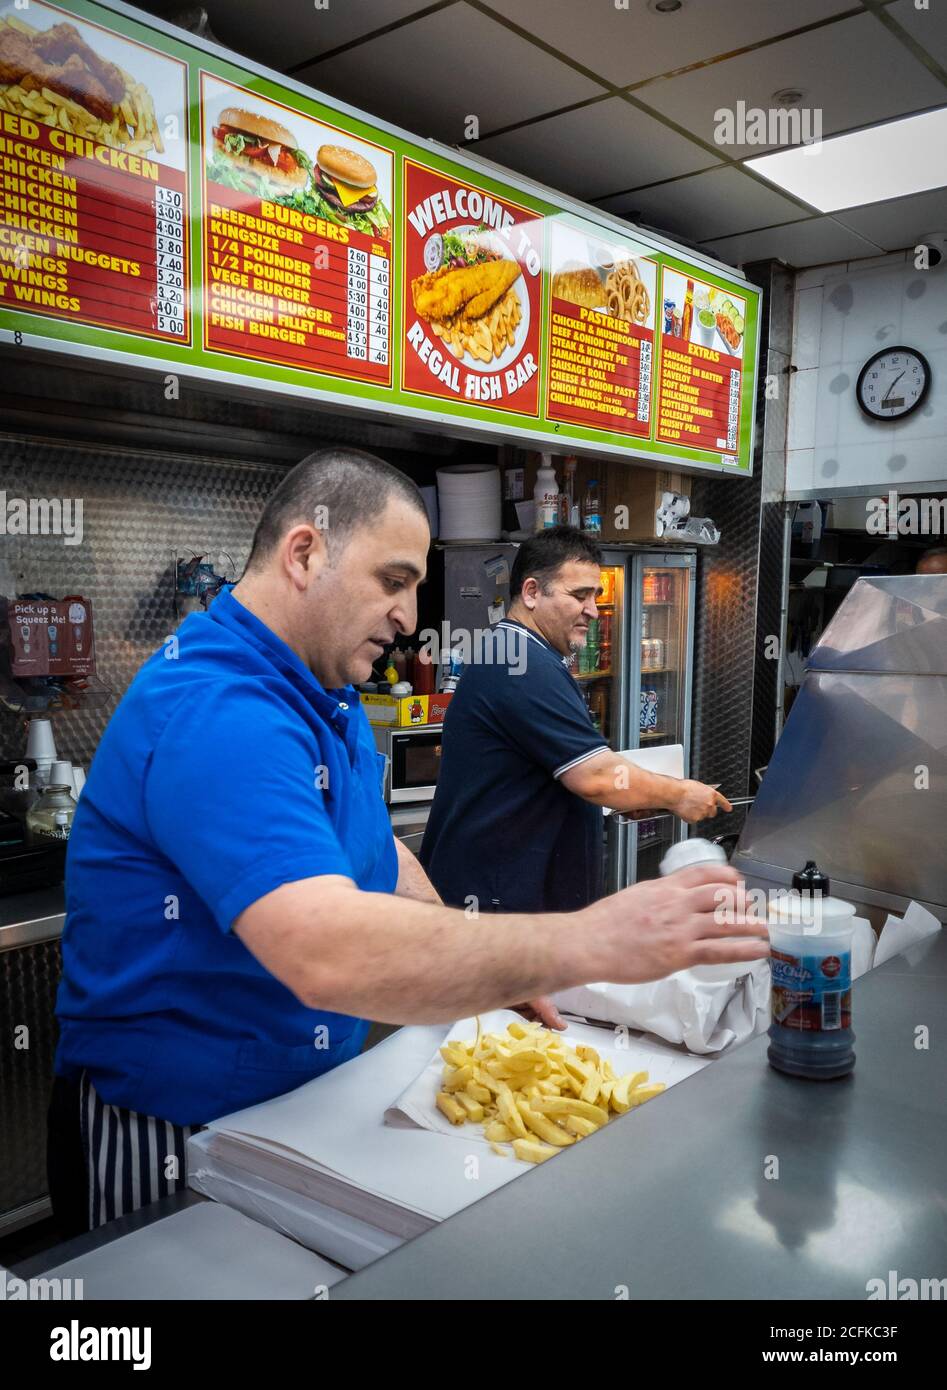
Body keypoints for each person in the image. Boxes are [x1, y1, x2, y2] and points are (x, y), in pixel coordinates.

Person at [48, 450, 765, 1235]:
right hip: (167, 1130)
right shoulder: (220, 709)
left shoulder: (326, 695)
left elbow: (379, 856)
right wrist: (586, 942)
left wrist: (482, 956)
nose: (408, 616)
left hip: (292, 1109)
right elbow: (325, 951)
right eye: (393, 581)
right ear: (304, 553)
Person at [421, 526, 729, 920]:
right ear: (531, 592)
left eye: (595, 597)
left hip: (511, 898)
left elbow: (552, 774)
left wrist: (632, 796)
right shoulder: (522, 665)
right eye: (578, 595)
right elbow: (596, 776)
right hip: (500, 906)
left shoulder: (519, 653)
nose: (592, 610)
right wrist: (679, 795)